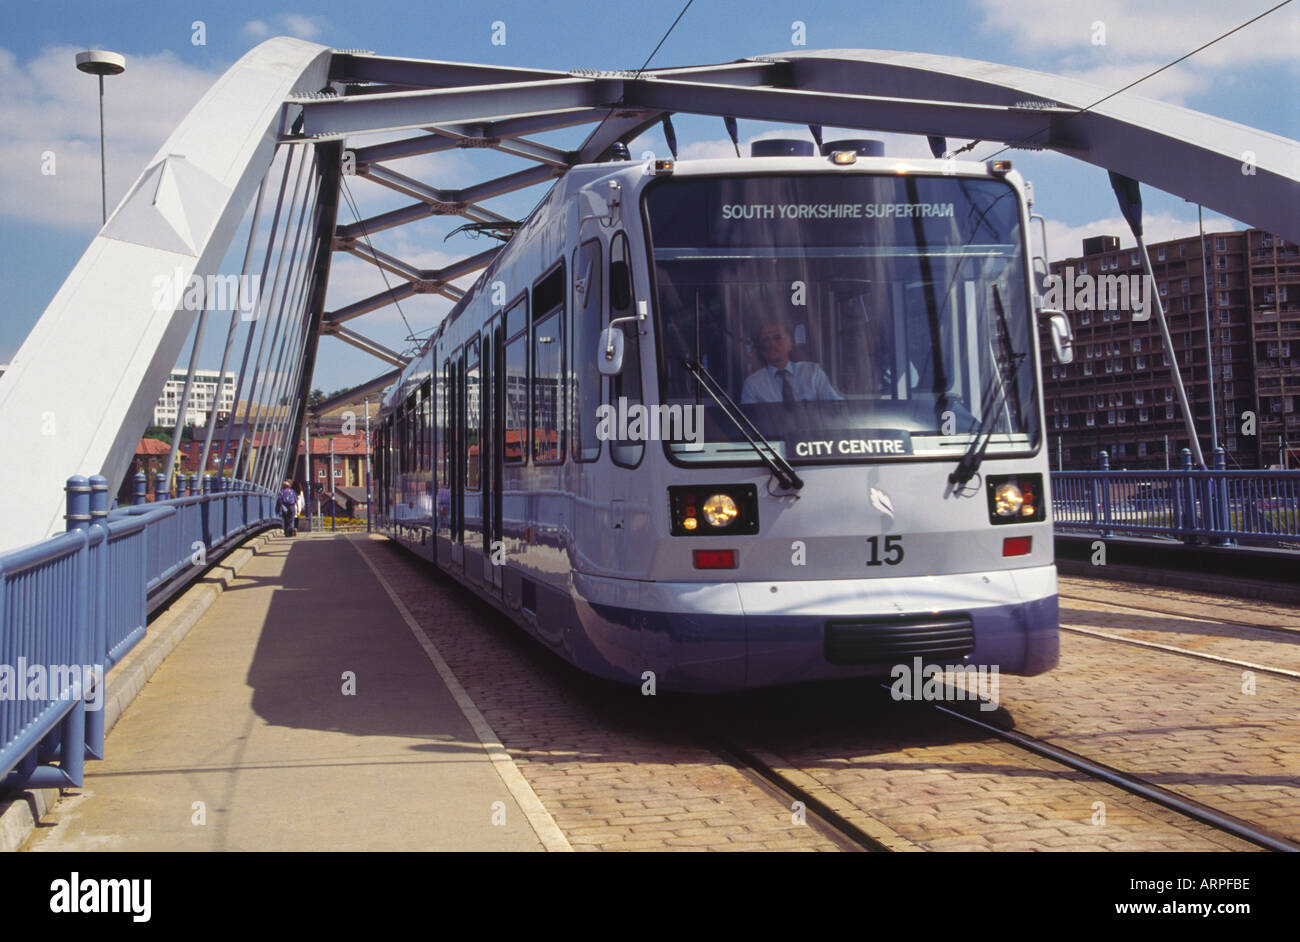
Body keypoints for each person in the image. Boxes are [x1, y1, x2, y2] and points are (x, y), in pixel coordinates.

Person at [740, 321, 842, 404]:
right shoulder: (752, 384)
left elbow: (837, 408)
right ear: (761, 349)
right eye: (766, 340)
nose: (771, 344)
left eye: (777, 338)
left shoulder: (813, 373)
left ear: (790, 344)